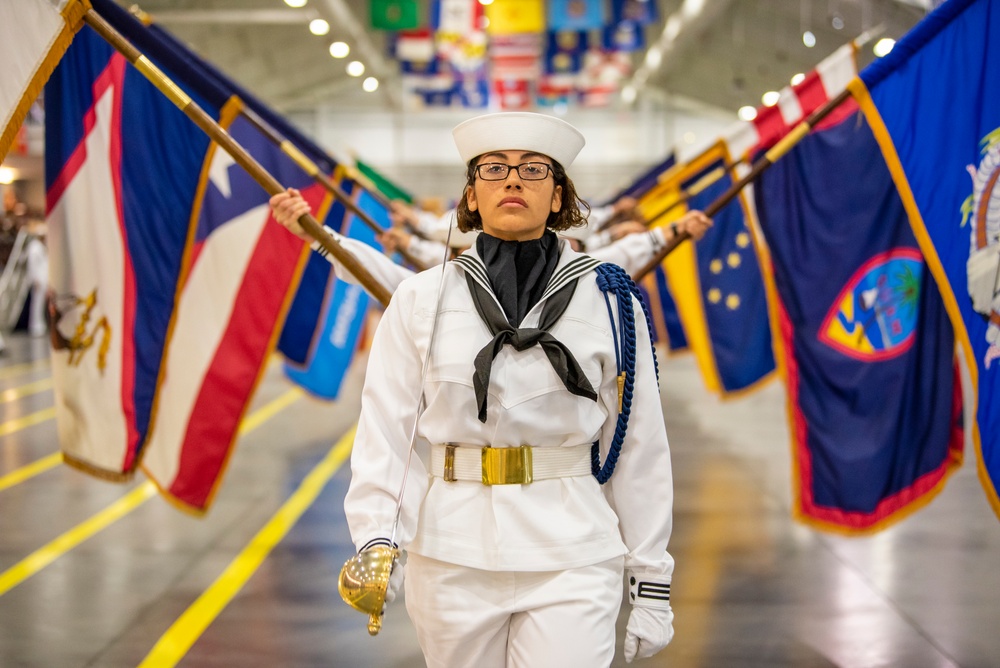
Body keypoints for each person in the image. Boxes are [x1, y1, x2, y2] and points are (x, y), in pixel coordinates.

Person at [271, 111, 677, 667]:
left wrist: (651, 580)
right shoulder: (420, 299)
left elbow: (640, 445)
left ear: (558, 196)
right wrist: (377, 537)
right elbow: (387, 429)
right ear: (471, 195)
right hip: (451, 553)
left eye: (533, 169)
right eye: (494, 169)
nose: (513, 180)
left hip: (574, 550)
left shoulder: (610, 301)